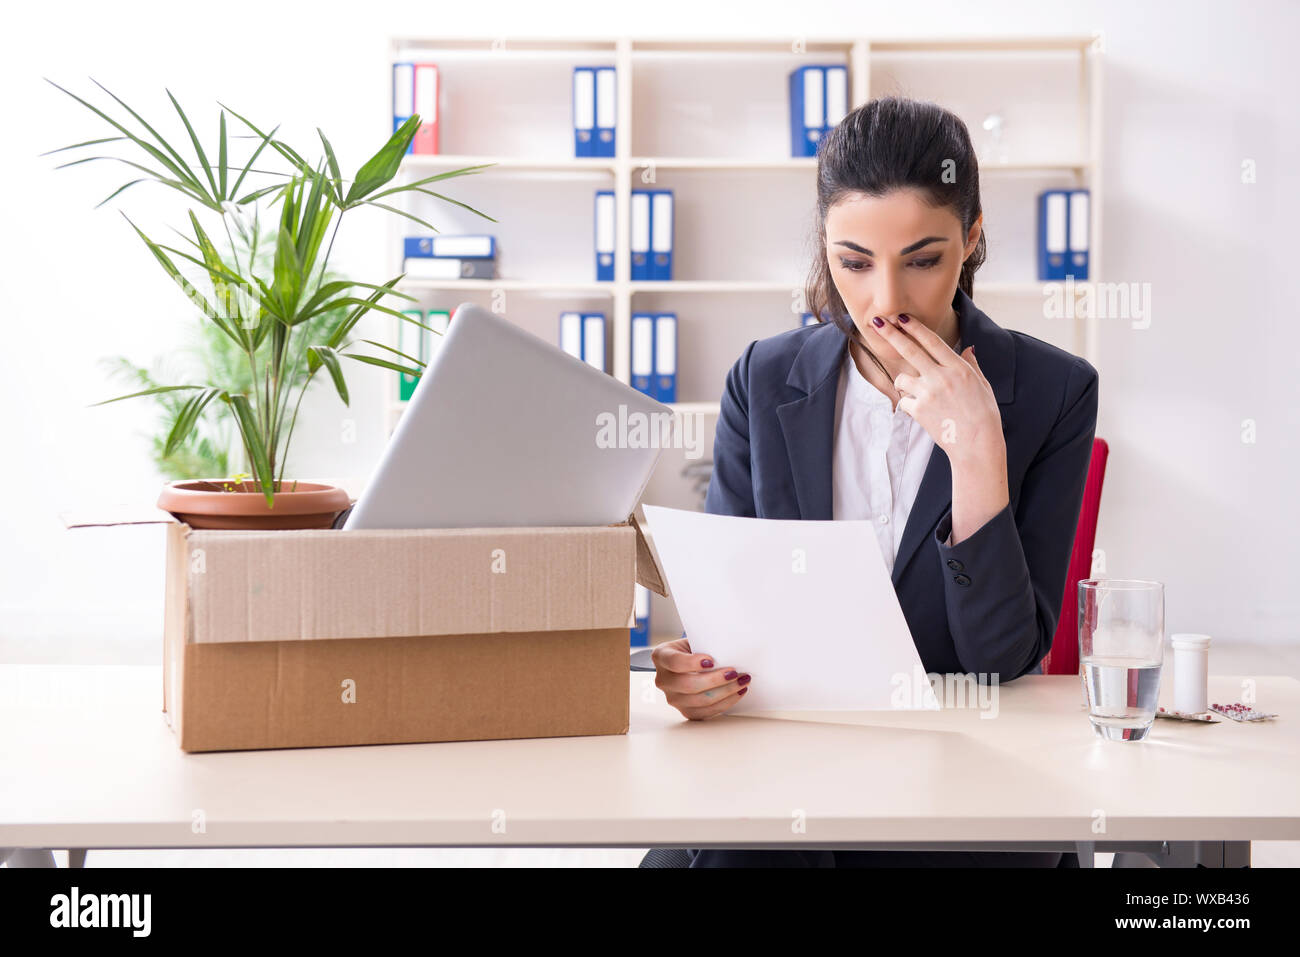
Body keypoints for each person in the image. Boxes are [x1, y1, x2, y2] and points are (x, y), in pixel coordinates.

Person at [650, 96, 1099, 868]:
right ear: (824, 247)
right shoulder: (761, 380)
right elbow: (733, 611)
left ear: (973, 238)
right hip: (785, 769)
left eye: (922, 260)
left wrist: (977, 454)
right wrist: (700, 673)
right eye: (854, 262)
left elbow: (999, 658)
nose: (885, 303)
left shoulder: (1054, 391)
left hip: (961, 784)